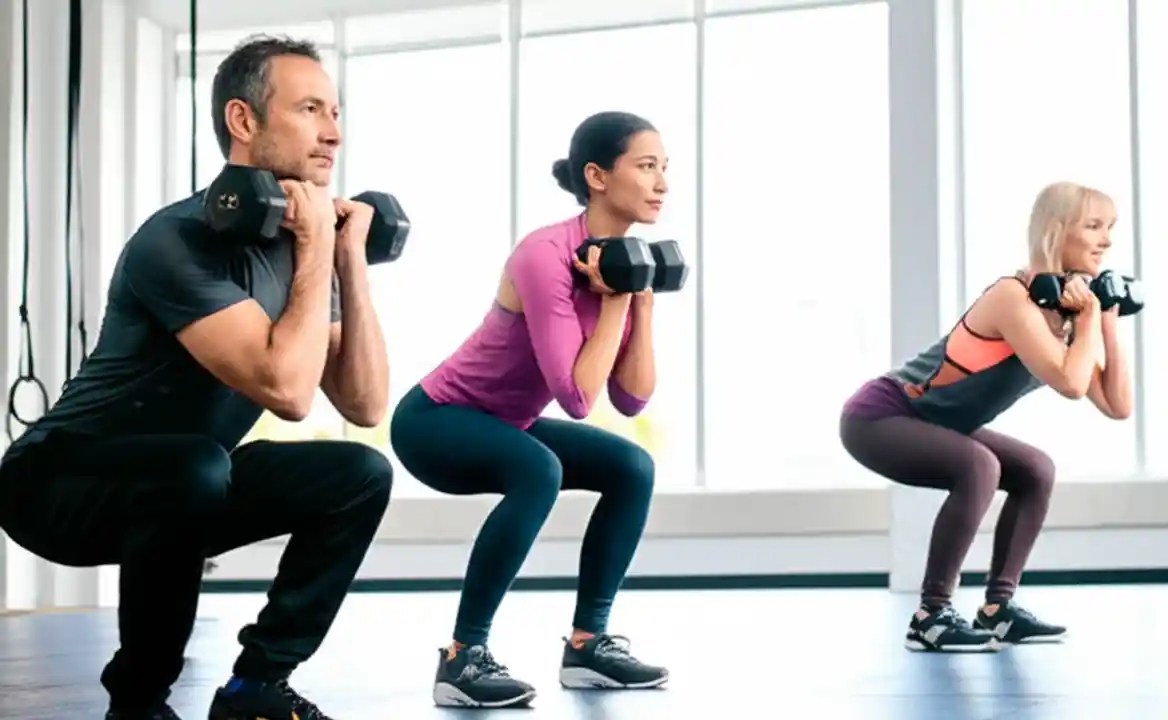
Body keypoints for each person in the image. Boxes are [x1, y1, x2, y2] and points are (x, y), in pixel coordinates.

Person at [0, 35, 394, 720]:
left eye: (336, 111)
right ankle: (140, 702)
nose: (333, 132)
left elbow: (363, 403)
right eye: (309, 109)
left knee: (359, 472)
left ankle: (256, 687)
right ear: (244, 121)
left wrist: (348, 263)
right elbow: (288, 391)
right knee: (193, 463)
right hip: (54, 486)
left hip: (185, 484)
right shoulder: (175, 242)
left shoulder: (305, 248)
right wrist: (317, 253)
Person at [389, 110, 670, 708]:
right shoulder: (544, 256)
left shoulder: (619, 263)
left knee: (633, 468)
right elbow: (575, 398)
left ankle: (588, 645)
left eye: (663, 168)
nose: (662, 183)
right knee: (538, 468)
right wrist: (618, 303)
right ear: (597, 175)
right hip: (434, 420)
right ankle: (463, 658)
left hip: (504, 422)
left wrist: (639, 306)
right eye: (646, 167)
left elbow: (630, 397)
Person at [840, 181, 1133, 652]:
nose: (1107, 240)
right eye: (1094, 226)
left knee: (1036, 470)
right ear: (1057, 232)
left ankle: (999, 609)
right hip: (881, 415)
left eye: (1111, 228)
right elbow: (1073, 384)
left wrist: (1106, 325)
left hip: (935, 423)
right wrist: (1090, 316)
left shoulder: (1069, 311)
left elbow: (1116, 406)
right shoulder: (1012, 297)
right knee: (979, 465)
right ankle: (930, 616)